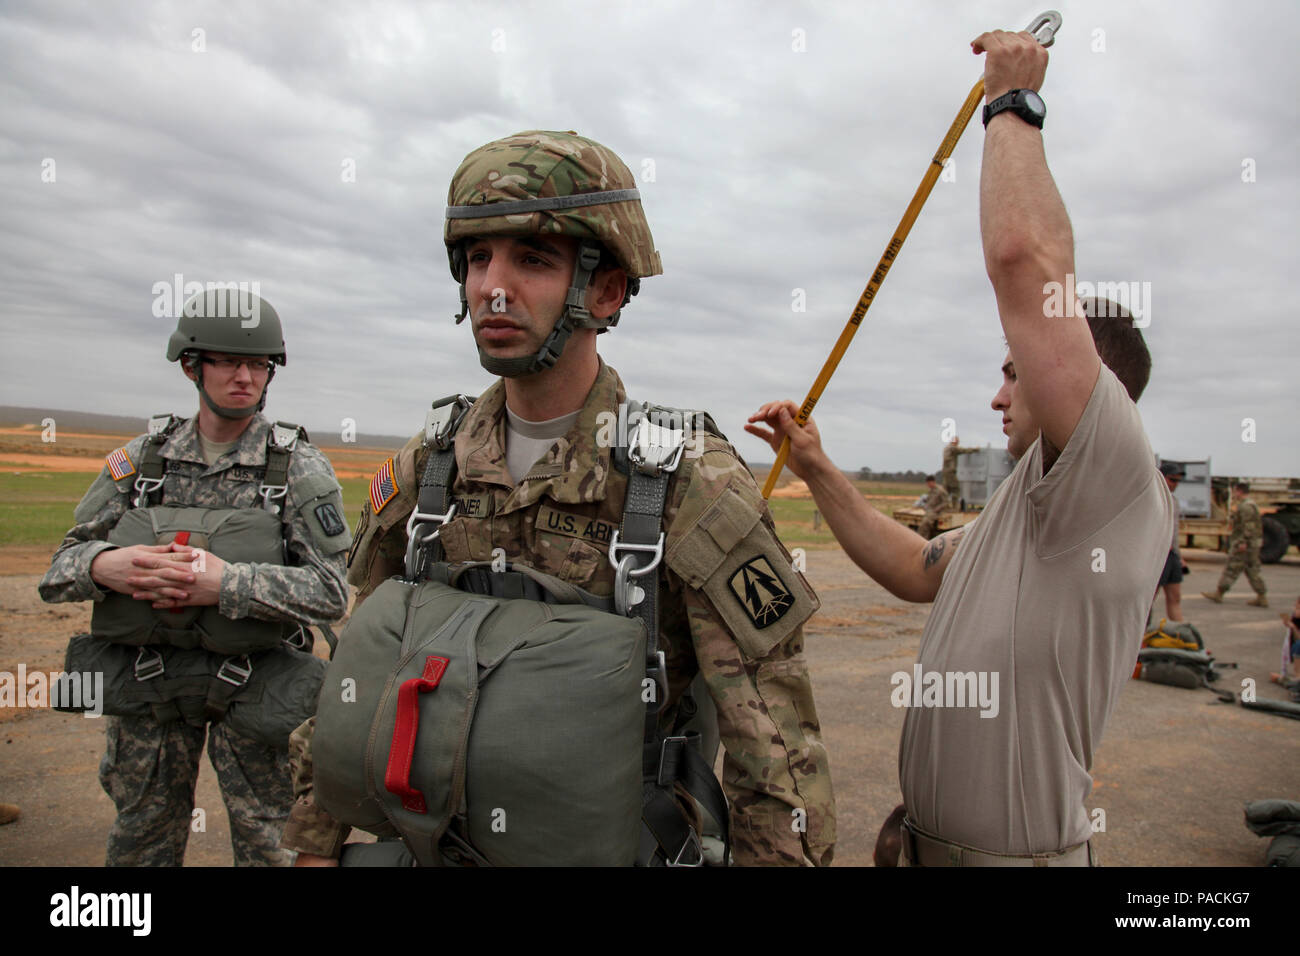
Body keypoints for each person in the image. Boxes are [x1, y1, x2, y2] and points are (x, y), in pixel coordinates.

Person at [283, 130, 835, 867]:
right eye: (478, 259)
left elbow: (777, 754)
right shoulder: (431, 467)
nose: (493, 287)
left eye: (532, 260)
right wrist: (314, 846)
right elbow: (357, 671)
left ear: (605, 290)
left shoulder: (683, 483)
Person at [747, 27, 1175, 865]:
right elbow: (917, 569)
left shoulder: (1113, 472)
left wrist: (1012, 105)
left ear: (1094, 389)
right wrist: (818, 468)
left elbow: (1023, 262)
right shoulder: (1034, 504)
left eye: (1016, 373)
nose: (998, 393)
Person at [38, 290, 350, 866]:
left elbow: (331, 593)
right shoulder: (140, 460)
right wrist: (108, 566)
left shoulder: (296, 465)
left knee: (270, 844)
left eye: (259, 364)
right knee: (141, 840)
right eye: (230, 361)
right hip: (149, 684)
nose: (246, 377)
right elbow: (59, 570)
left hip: (255, 685)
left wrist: (227, 584)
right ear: (191, 365)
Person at [1203, 482, 1267, 607]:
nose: (1233, 494)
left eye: (1234, 491)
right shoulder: (1250, 504)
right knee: (1252, 569)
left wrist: (1243, 542)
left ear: (1239, 491)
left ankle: (1219, 593)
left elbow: (1248, 526)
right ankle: (1261, 596)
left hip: (1245, 544)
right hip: (1251, 544)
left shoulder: (1246, 507)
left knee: (1232, 568)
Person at [1156, 461, 1186, 621]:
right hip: (1156, 555)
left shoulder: (1173, 501)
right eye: (1172, 480)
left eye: (1178, 481)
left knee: (1175, 598)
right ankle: (1140, 640)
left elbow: (1174, 532)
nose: (1176, 484)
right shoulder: (1152, 498)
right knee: (1148, 600)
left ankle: (1180, 635)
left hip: (1171, 555)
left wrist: (1179, 556)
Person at [942, 437, 977, 505]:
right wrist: (975, 449)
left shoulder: (947, 448)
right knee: (955, 489)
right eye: (957, 442)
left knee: (946, 489)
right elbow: (963, 450)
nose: (958, 443)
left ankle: (944, 506)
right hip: (950, 472)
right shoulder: (953, 448)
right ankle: (954, 506)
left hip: (946, 471)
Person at [918, 475, 950, 540]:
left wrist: (937, 509)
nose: (928, 485)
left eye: (928, 483)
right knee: (924, 524)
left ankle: (922, 541)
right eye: (927, 483)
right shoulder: (932, 490)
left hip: (936, 512)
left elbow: (946, 502)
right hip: (929, 510)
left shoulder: (940, 490)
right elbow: (930, 500)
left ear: (932, 482)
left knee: (924, 525)